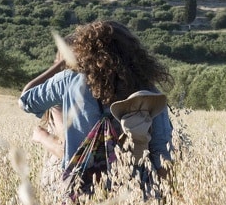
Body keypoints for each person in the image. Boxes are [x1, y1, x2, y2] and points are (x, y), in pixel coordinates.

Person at [19, 20, 173, 193]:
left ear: (86, 50)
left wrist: (62, 63)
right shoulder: (149, 91)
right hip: (135, 189)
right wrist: (163, 199)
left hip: (81, 189)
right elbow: (162, 151)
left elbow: (26, 101)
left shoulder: (69, 80)